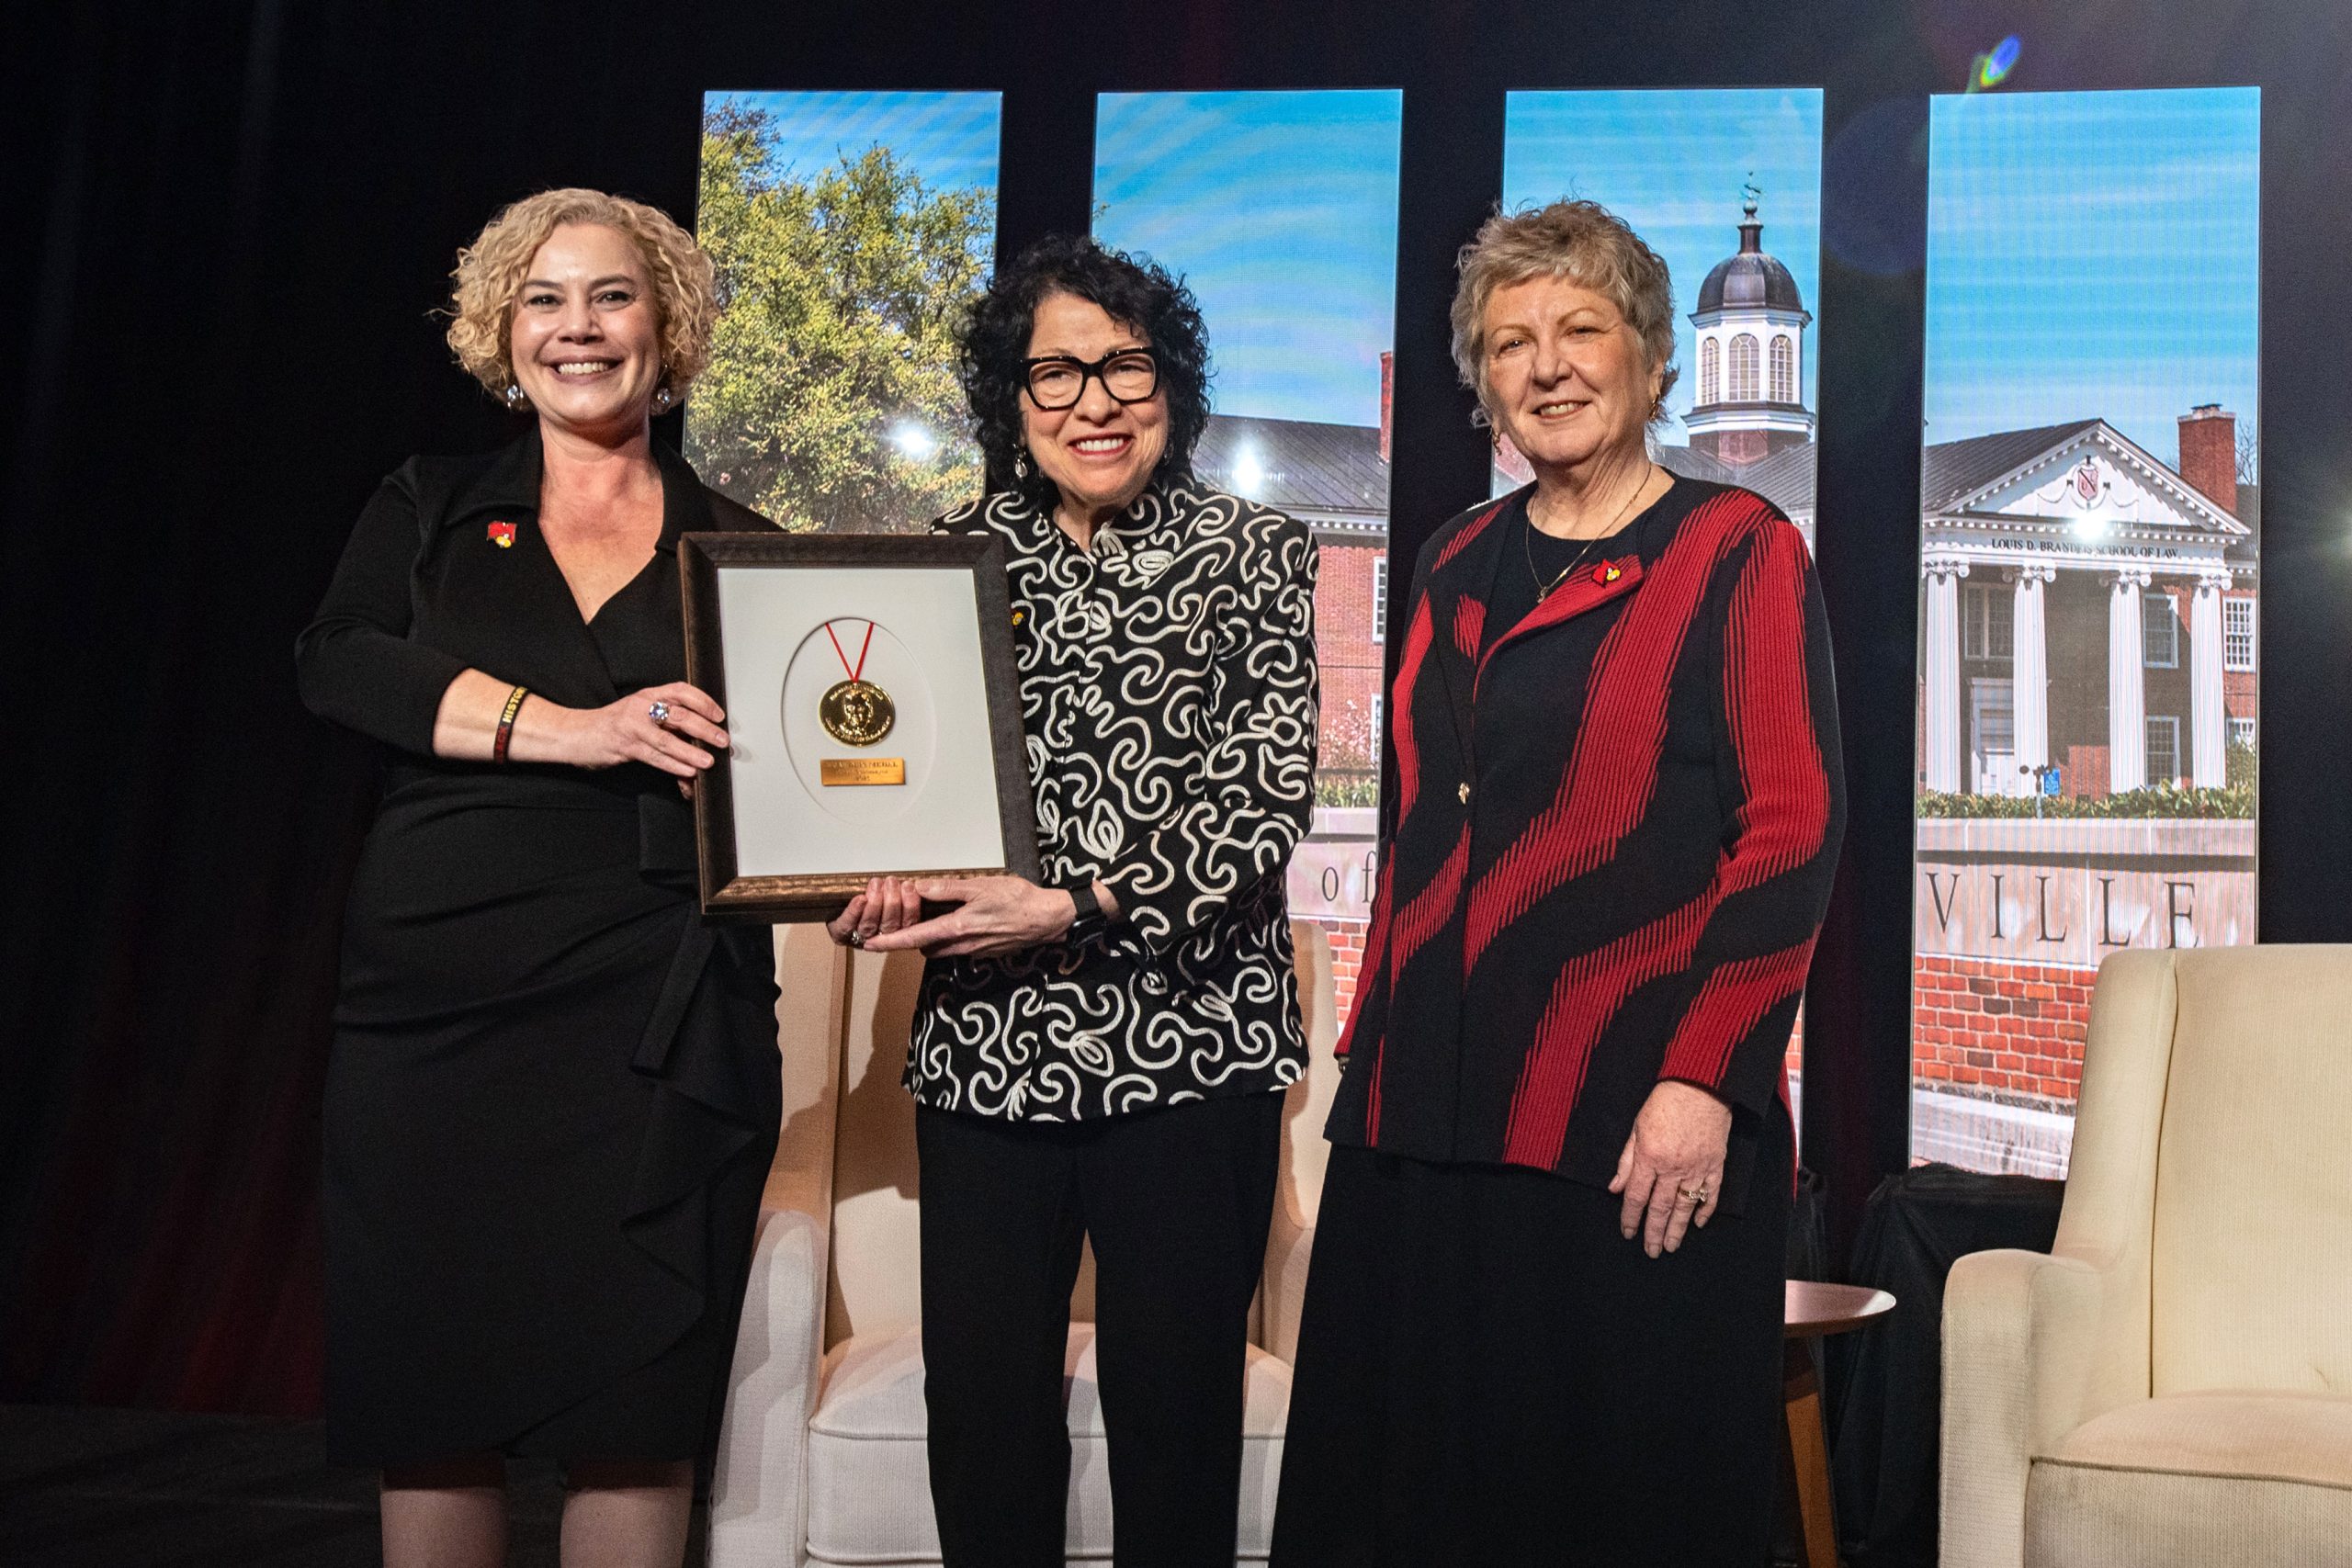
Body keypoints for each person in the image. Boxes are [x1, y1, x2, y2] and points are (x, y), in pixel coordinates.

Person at [1270, 199, 1845, 1566]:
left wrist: (1704, 1080)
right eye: (1511, 342)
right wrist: (1376, 1048)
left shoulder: (1739, 550)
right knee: (1403, 1500)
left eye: (1582, 329)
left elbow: (1790, 840)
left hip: (1632, 1122)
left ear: (1652, 359)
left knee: (1612, 1507)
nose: (1548, 366)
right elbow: (1422, 830)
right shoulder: (1452, 561)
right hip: (1423, 1119)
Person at [296, 188, 781, 1568]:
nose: (580, 328)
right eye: (545, 299)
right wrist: (578, 732)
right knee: (430, 1404)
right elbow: (341, 664)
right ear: (500, 331)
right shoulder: (429, 505)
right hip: (433, 1015)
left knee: (638, 1409)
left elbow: (811, 783)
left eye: (613, 295)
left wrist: (862, 874)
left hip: (659, 1025)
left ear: (668, 325)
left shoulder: (746, 546)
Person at [840, 233, 1319, 1568]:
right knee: (984, 1421)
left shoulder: (1258, 552)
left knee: (1176, 1420)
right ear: (1012, 399)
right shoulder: (946, 563)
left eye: (1125, 367)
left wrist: (1074, 906)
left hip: (1195, 1052)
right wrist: (859, 868)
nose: (1093, 403)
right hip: (986, 1057)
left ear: (1174, 386)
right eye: (1055, 373)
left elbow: (1264, 800)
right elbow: (887, 782)